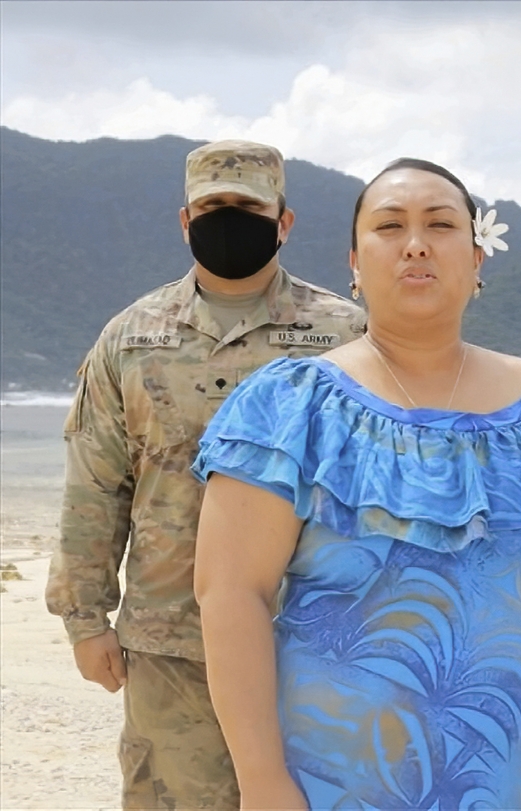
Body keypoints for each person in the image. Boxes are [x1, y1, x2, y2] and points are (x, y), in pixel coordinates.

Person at [190, 158, 521, 810]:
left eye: (440, 224)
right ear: (354, 261)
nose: (415, 242)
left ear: (476, 258)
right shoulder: (289, 410)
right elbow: (230, 591)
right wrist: (261, 779)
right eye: (389, 225)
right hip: (330, 789)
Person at [45, 139, 365, 809]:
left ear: (284, 220)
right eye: (212, 206)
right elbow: (96, 486)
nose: (228, 217)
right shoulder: (130, 338)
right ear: (185, 220)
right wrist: (85, 617)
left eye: (246, 205)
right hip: (171, 645)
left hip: (313, 641)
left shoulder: (345, 337)